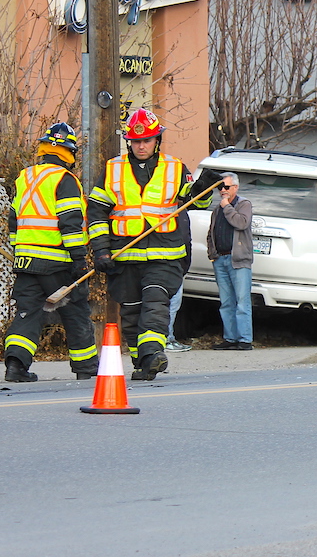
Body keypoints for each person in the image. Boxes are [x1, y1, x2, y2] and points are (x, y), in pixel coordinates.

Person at [88, 108, 219, 381]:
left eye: (146, 140)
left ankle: (153, 351)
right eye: (136, 141)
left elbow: (195, 202)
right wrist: (100, 250)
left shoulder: (174, 168)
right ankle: (143, 362)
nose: (141, 146)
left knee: (156, 302)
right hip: (124, 256)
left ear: (156, 140)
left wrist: (203, 187)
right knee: (132, 312)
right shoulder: (113, 169)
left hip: (165, 254)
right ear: (129, 142)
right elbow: (97, 212)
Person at [3, 122, 99, 382]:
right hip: (57, 262)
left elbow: (14, 220)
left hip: (26, 261)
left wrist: (19, 250)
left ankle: (15, 366)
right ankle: (86, 368)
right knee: (75, 310)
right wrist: (79, 259)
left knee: (27, 313)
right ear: (70, 154)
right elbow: (69, 222)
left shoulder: (26, 177)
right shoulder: (65, 180)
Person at [208, 172, 255, 351]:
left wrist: (227, 207)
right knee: (226, 301)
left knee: (242, 301)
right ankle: (230, 338)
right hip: (221, 259)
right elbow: (211, 232)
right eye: (220, 187)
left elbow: (241, 223)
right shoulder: (217, 209)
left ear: (235, 187)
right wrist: (212, 253)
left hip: (239, 260)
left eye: (226, 187)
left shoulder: (243, 204)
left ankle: (244, 340)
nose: (223, 191)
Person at [165, 209, 193, 352]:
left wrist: (186, 265)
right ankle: (166, 339)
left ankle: (168, 337)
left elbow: (187, 239)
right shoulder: (167, 210)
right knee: (168, 305)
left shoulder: (183, 212)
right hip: (167, 265)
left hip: (178, 266)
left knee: (174, 305)